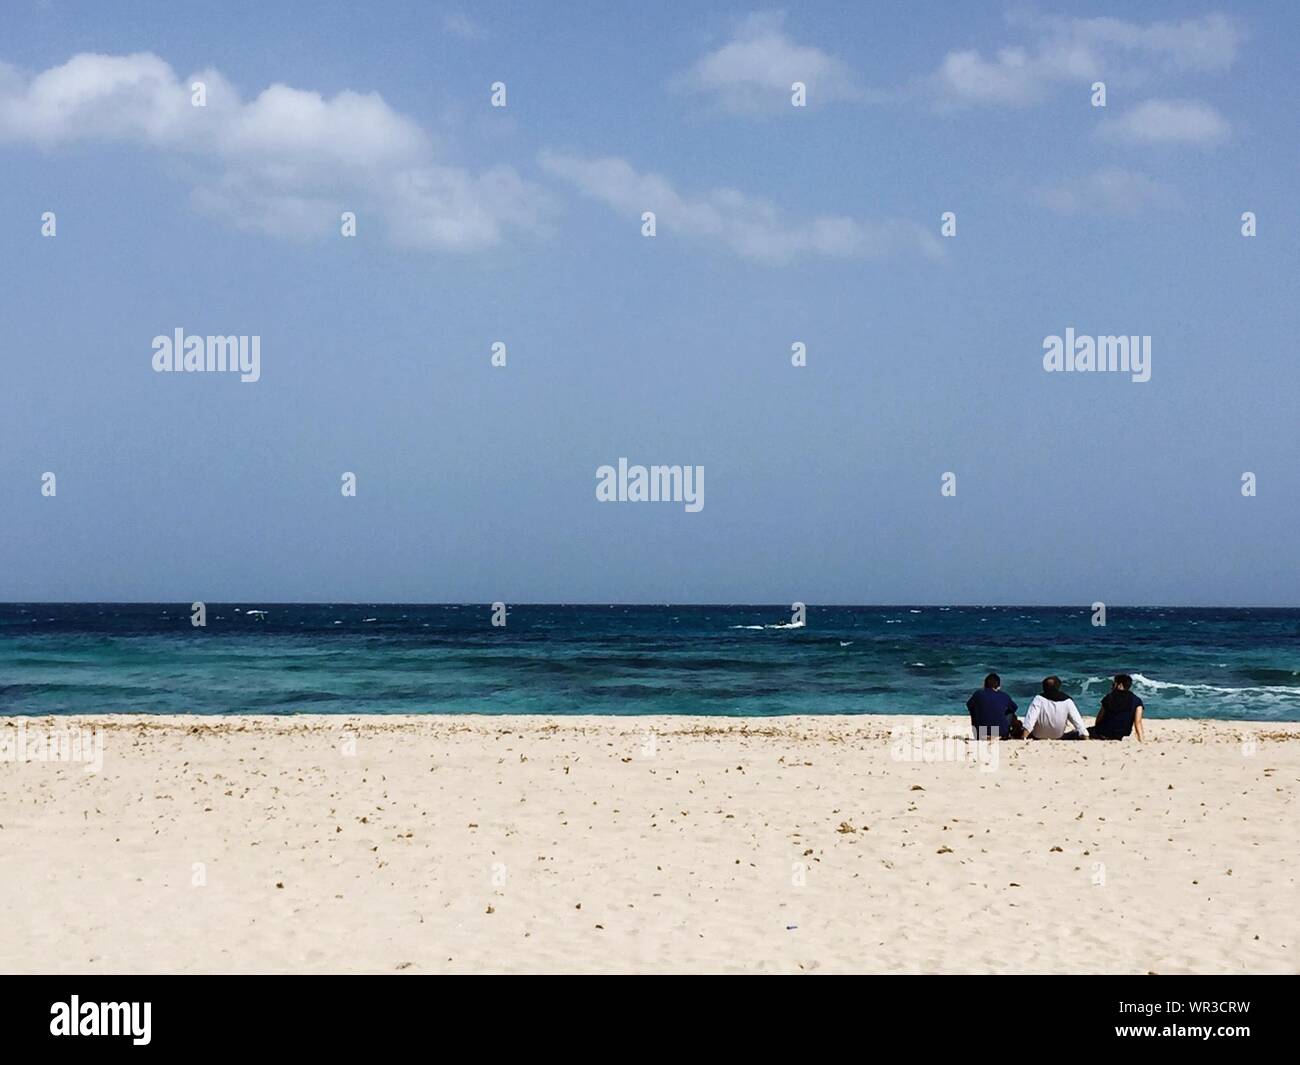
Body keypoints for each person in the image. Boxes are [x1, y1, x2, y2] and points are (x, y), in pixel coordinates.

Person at [1021, 676, 1088, 739]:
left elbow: (1030, 720)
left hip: (1038, 736)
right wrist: (1085, 735)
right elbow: (1077, 721)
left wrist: (1024, 736)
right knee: (1074, 732)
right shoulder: (1067, 701)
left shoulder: (1038, 699)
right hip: (1058, 736)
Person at [965, 673, 1021, 739]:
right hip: (999, 732)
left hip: (981, 732)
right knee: (1011, 713)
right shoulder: (1004, 696)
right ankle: (1008, 734)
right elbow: (1014, 708)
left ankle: (978, 733)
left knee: (973, 710)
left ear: (984, 685)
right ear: (998, 686)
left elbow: (969, 706)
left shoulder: (978, 694)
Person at [1090, 674, 1145, 741]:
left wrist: (1097, 728)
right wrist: (1141, 740)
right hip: (1122, 733)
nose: (1112, 686)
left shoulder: (1109, 697)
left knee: (1078, 733)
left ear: (1120, 685)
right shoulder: (1137, 700)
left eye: (1114, 683)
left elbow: (1100, 717)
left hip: (1104, 731)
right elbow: (1138, 722)